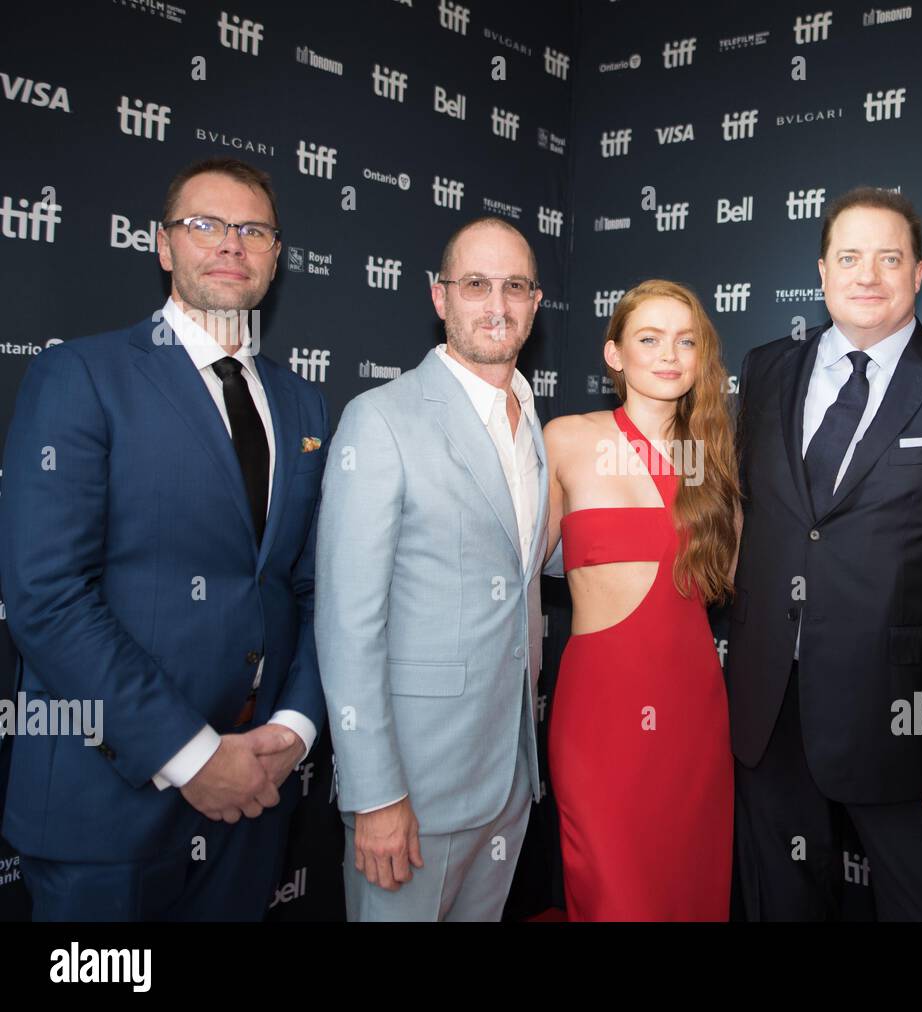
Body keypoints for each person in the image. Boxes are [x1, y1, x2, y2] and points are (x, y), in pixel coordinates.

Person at [0, 157, 327, 920]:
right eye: (205, 225)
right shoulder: (79, 376)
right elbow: (47, 597)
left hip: (253, 800)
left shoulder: (305, 404)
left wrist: (294, 730)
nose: (230, 245)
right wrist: (193, 757)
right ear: (162, 246)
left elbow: (311, 590)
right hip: (105, 810)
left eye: (253, 230)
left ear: (276, 257)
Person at [728, 186, 922, 920]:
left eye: (888, 258)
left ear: (920, 272)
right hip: (770, 712)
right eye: (849, 257)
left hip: (915, 727)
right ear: (820, 272)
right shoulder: (767, 369)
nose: (867, 275)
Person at [316, 216, 547, 921]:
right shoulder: (380, 420)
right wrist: (376, 793)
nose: (497, 305)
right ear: (439, 297)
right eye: (475, 284)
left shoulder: (535, 420)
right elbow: (347, 620)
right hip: (412, 790)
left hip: (508, 774)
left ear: (536, 302)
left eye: (515, 287)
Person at [542, 279, 738, 920]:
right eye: (648, 338)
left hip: (691, 712)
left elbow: (731, 579)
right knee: (614, 890)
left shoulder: (714, 460)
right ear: (614, 354)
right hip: (600, 712)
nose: (668, 354)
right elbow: (517, 565)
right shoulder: (566, 439)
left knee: (686, 887)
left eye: (686, 341)